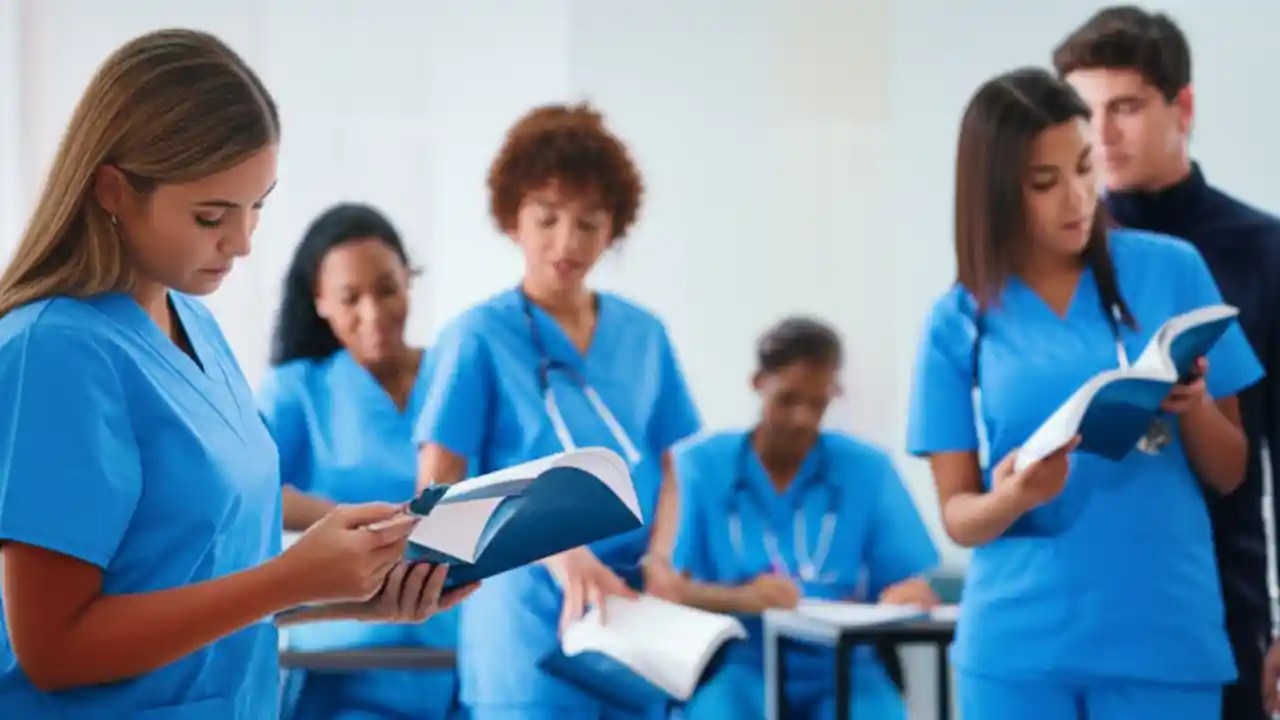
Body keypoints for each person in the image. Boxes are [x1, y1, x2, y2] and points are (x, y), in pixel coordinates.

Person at [0, 29, 472, 719]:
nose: (245, 242)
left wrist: (350, 593)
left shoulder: (194, 324)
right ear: (113, 190)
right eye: (212, 215)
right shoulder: (55, 353)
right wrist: (289, 578)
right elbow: (54, 648)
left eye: (258, 206)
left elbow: (199, 589)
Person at [906, 66, 1262, 719]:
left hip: (1163, 640)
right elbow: (959, 514)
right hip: (1016, 651)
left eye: (1083, 168)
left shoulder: (1173, 269)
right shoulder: (957, 320)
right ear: (994, 194)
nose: (1077, 199)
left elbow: (1233, 469)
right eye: (1045, 183)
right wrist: (1012, 496)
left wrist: (1195, 411)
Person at [413, 102, 703, 720]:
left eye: (590, 224)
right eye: (547, 219)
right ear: (512, 218)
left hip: (631, 614)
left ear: (614, 228)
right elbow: (437, 494)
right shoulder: (477, 338)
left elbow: (674, 466)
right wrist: (555, 549)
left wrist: (661, 560)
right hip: (521, 625)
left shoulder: (645, 335)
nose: (567, 243)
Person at [1052, 10, 1280, 718]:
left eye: (1124, 107)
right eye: (1084, 113)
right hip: (1074, 607)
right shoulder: (1049, 259)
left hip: (1221, 598)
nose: (1103, 135)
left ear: (1182, 106)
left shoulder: (1262, 252)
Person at [656, 316, 939, 720]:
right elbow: (668, 590)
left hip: (844, 665)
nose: (802, 418)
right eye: (787, 399)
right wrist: (741, 599)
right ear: (758, 383)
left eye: (818, 403)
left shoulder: (866, 469)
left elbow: (904, 581)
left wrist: (909, 594)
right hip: (741, 662)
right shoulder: (700, 468)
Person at [260, 203, 465, 720]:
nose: (373, 314)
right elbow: (253, 491)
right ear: (320, 302)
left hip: (458, 628)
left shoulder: (458, 373)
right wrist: (369, 522)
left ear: (409, 282)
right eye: (351, 298)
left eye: (388, 289)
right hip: (349, 642)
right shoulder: (297, 390)